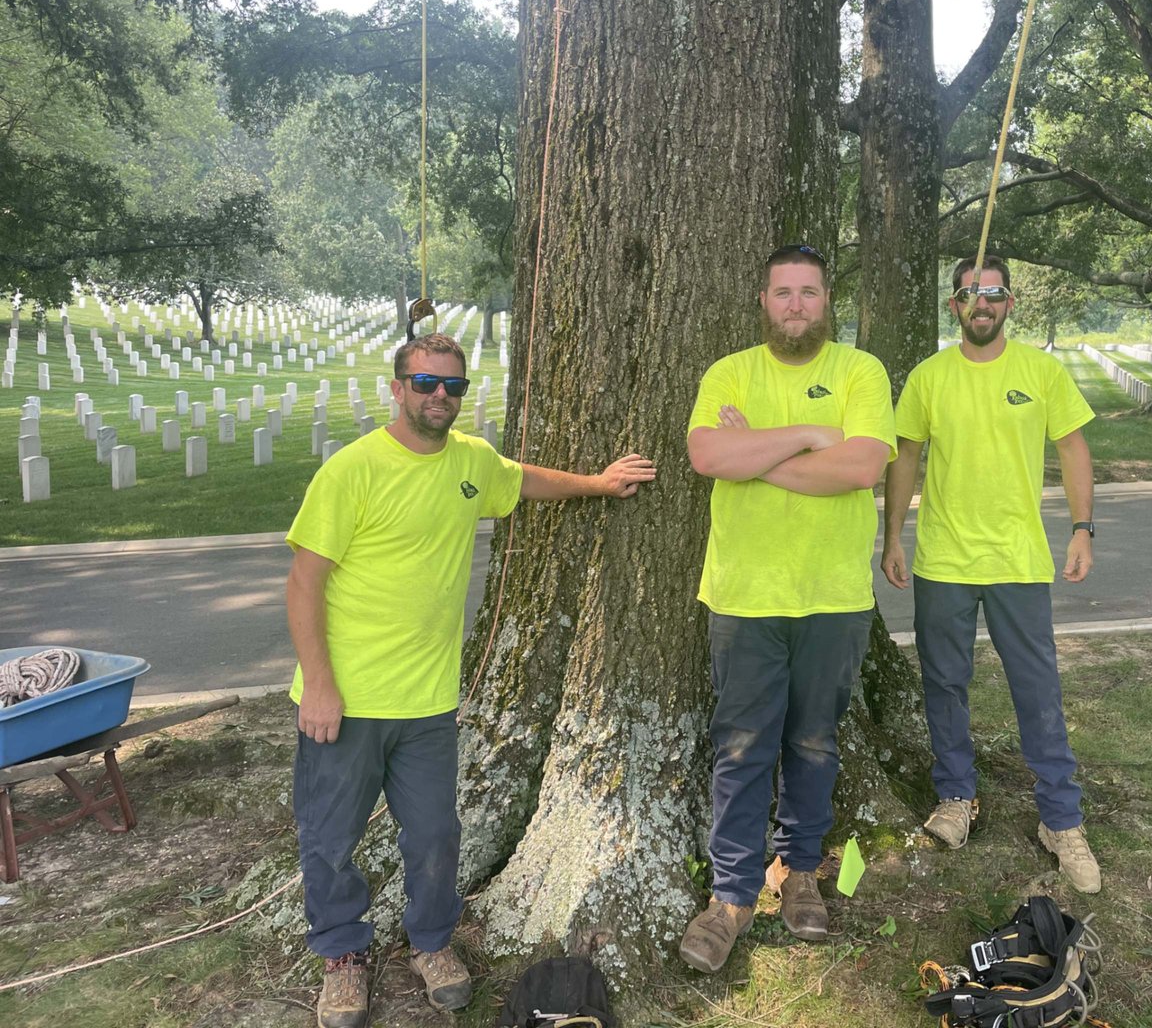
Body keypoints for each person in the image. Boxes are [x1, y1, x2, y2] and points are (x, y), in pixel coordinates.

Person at [287, 332, 655, 1028]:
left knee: (434, 836)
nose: (438, 397)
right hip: (346, 702)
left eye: (452, 386)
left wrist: (600, 484)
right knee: (328, 839)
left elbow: (526, 478)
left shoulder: (471, 462)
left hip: (427, 702)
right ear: (397, 388)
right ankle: (342, 956)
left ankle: (430, 942)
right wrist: (320, 685)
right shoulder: (352, 470)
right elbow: (304, 583)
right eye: (424, 383)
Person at [678, 245, 895, 973]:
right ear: (763, 301)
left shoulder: (859, 372)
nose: (795, 304)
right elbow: (708, 457)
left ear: (826, 300)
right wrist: (807, 437)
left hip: (832, 595)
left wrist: (758, 453)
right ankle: (732, 897)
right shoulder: (730, 372)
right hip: (744, 595)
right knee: (740, 747)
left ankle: (800, 871)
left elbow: (863, 466)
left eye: (808, 292)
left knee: (812, 742)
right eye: (782, 292)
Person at [880, 255, 1102, 893]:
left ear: (1010, 303)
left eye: (994, 293)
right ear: (954, 305)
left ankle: (1061, 820)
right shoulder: (928, 378)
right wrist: (892, 534)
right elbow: (906, 458)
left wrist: (1083, 528)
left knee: (1038, 691)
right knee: (944, 684)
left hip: (1017, 562)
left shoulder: (1040, 370)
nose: (983, 304)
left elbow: (1074, 447)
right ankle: (957, 796)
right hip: (944, 561)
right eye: (970, 294)